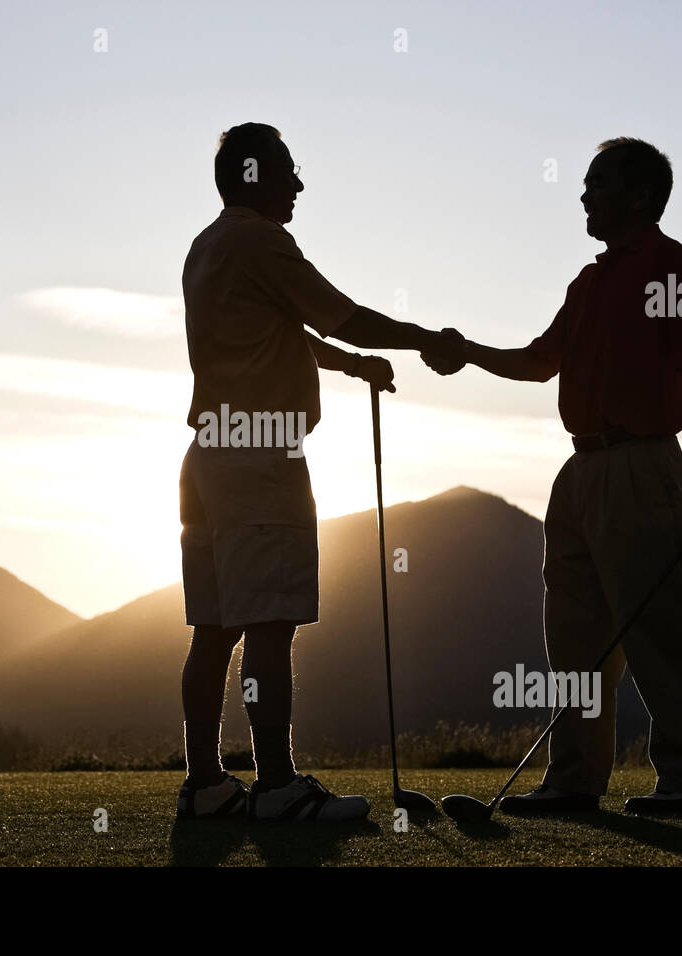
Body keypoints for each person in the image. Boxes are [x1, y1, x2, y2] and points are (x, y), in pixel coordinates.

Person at [428, 138, 682, 817]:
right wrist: (467, 353)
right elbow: (538, 361)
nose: (583, 195)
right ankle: (573, 782)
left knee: (657, 628)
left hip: (641, 462)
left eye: (597, 183)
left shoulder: (666, 263)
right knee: (576, 631)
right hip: (579, 468)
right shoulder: (589, 281)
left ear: (637, 195)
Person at [176, 122, 464, 822]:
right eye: (287, 171)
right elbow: (340, 316)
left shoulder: (207, 247)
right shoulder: (261, 239)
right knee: (271, 623)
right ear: (254, 176)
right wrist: (425, 339)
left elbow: (287, 329)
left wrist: (350, 366)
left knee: (214, 629)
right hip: (260, 461)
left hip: (206, 458)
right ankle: (276, 786)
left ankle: (207, 786)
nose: (299, 184)